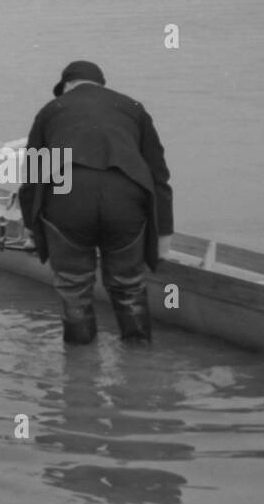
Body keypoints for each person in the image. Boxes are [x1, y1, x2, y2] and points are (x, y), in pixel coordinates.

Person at [19, 60, 173, 345]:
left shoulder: (51, 111)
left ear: (66, 86)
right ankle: (139, 365)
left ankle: (79, 372)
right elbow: (159, 175)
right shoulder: (133, 109)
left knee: (73, 287)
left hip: (68, 200)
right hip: (126, 201)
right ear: (102, 84)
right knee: (129, 285)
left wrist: (31, 230)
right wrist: (163, 234)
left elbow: (32, 178)